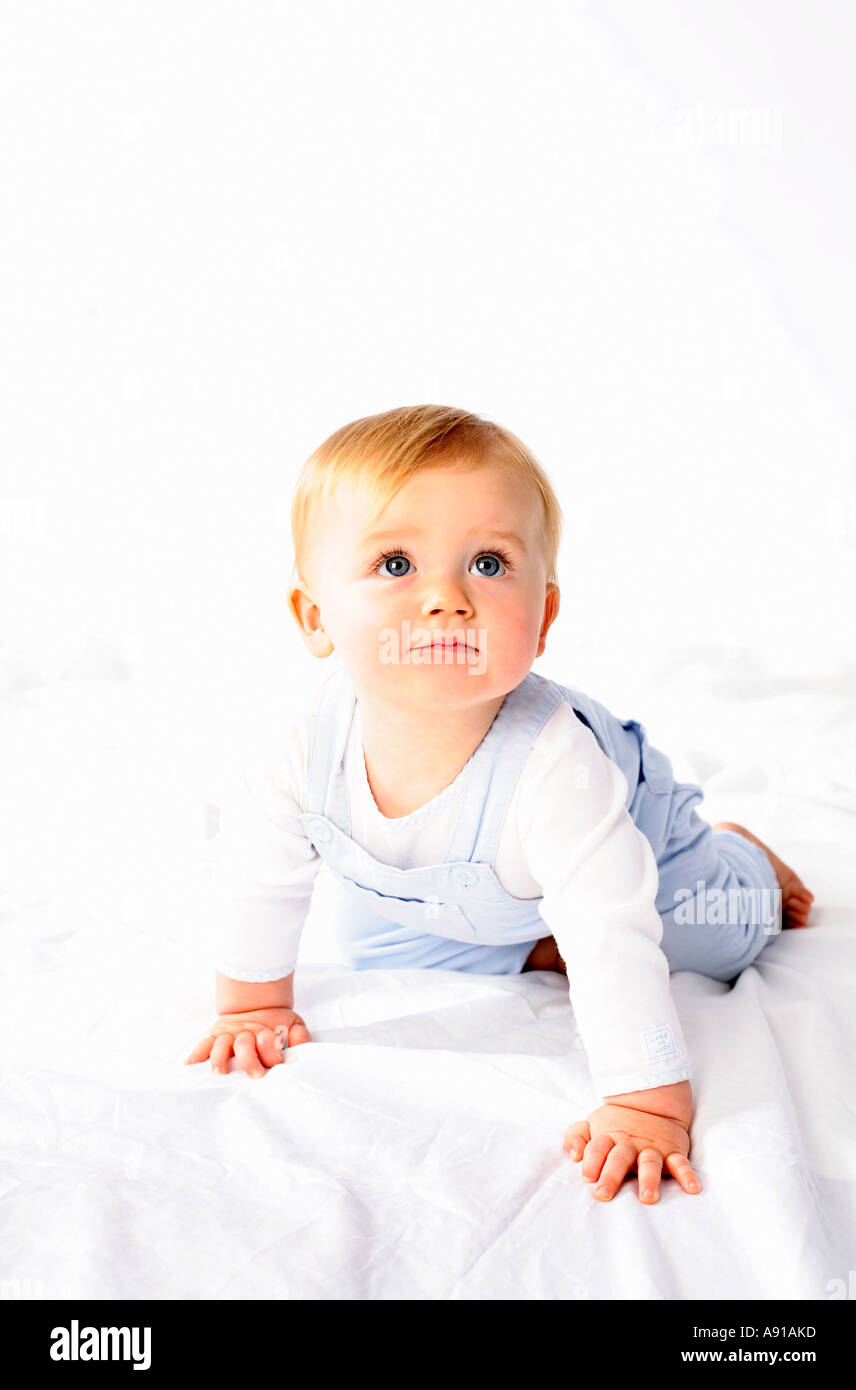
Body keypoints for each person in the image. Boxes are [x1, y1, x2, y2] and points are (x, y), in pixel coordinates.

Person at [185, 405, 814, 1205]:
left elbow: (611, 936)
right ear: (316, 618)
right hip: (451, 888)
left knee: (717, 937)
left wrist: (646, 1103)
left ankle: (744, 857)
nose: (445, 597)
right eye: (395, 563)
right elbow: (259, 876)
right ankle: (535, 933)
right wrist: (253, 1004)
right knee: (374, 944)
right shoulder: (300, 746)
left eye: (488, 563)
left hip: (638, 853)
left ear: (543, 616)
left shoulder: (557, 766)